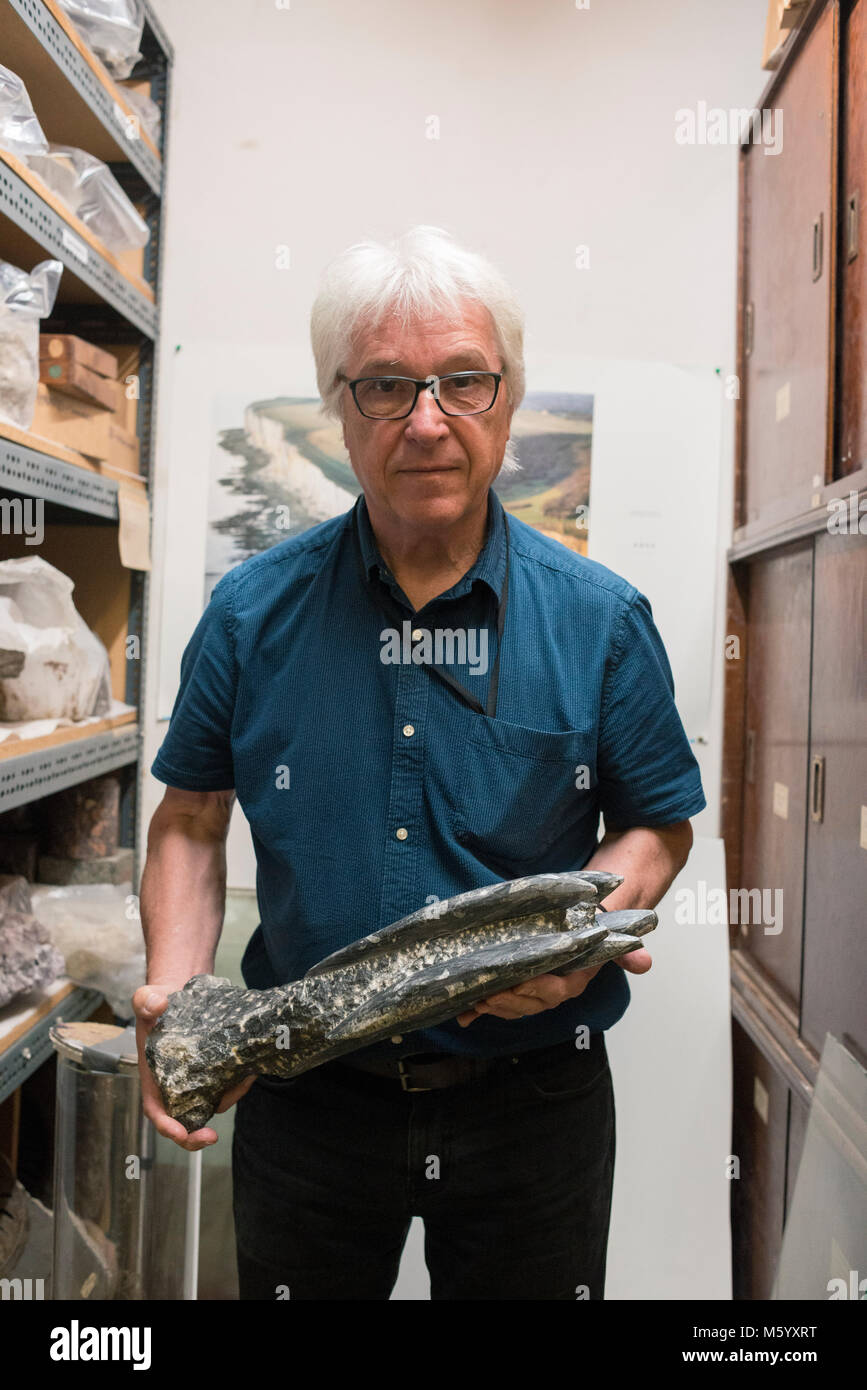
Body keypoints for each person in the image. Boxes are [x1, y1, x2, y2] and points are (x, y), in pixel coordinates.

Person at [134, 226, 705, 1301]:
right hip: (305, 1089)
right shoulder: (251, 613)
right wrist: (174, 985)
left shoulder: (601, 620)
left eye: (463, 382)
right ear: (339, 406)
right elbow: (192, 815)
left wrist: (583, 936)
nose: (428, 420)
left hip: (532, 1102)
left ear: (510, 396)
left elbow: (657, 822)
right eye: (387, 386)